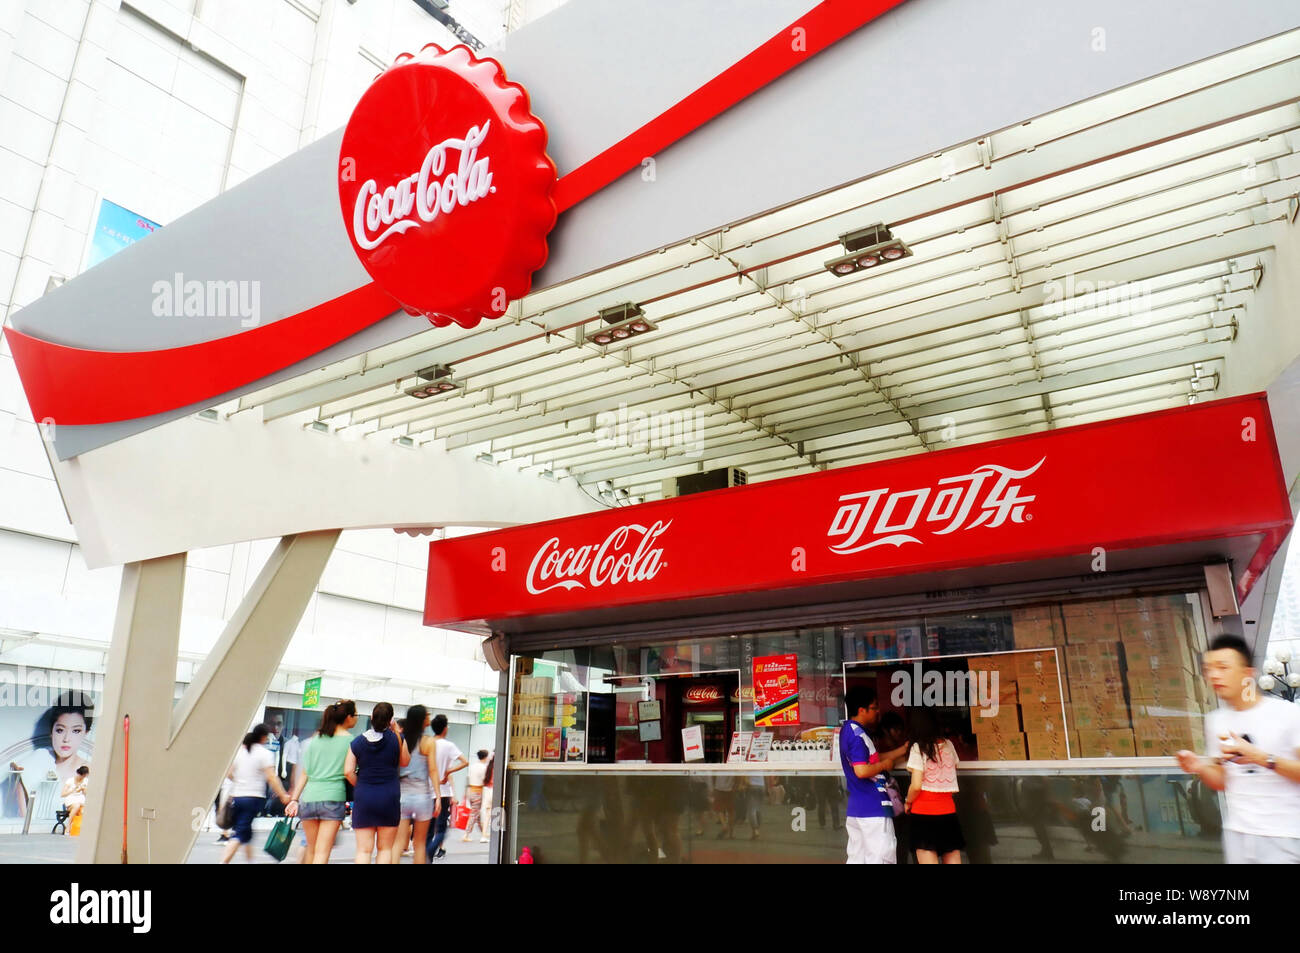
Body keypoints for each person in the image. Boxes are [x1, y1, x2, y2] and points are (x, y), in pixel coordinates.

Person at [1176, 633, 1300, 864]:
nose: (1214, 675)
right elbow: (1222, 781)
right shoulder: (1216, 720)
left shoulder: (1288, 714)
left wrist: (1263, 758)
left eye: (1223, 667)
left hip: (1285, 835)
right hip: (1238, 836)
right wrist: (1198, 767)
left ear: (1247, 674)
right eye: (1209, 669)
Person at [839, 685, 908, 864]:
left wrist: (902, 750)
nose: (878, 711)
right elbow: (862, 770)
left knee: (857, 858)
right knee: (880, 857)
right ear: (862, 710)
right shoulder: (858, 735)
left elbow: (871, 759)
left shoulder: (850, 730)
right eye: (874, 707)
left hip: (858, 808)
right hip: (873, 807)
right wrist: (885, 765)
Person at [289, 699, 357, 864]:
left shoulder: (316, 739)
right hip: (333, 798)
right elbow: (350, 771)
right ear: (348, 717)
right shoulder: (351, 740)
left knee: (311, 849)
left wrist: (294, 799)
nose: (356, 718)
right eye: (355, 715)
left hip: (309, 798)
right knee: (322, 852)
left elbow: (305, 773)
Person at [345, 702, 409, 863]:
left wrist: (361, 785)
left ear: (372, 718)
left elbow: (347, 771)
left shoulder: (357, 742)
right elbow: (405, 761)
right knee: (385, 848)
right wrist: (396, 732)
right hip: (389, 797)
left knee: (363, 850)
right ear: (391, 720)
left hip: (364, 796)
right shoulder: (397, 739)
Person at [221, 724, 294, 863]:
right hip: (253, 798)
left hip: (238, 796)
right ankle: (223, 861)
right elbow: (272, 777)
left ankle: (250, 862)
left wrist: (240, 782)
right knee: (240, 833)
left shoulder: (240, 752)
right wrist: (283, 795)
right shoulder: (264, 753)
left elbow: (229, 773)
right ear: (263, 737)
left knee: (245, 832)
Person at [902, 707, 964, 864]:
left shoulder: (918, 748)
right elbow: (952, 771)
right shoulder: (949, 745)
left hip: (924, 814)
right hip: (948, 811)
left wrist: (908, 802)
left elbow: (916, 785)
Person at [393, 704, 437, 863]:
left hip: (401, 796)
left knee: (397, 842)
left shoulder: (401, 739)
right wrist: (438, 796)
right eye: (427, 715)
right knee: (419, 843)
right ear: (422, 719)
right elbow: (433, 770)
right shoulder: (428, 742)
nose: (429, 718)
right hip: (422, 797)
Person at [427, 714, 468, 860]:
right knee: (442, 829)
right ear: (445, 729)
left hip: (427, 791)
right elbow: (465, 762)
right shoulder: (448, 745)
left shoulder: (427, 743)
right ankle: (430, 852)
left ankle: (428, 857)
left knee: (429, 829)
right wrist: (448, 771)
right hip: (442, 792)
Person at [462, 749, 490, 843]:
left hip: (471, 790)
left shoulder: (473, 766)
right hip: (478, 791)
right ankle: (466, 834)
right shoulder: (484, 768)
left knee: (476, 812)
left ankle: (483, 831)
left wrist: (466, 793)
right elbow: (484, 780)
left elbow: (467, 778)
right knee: (474, 813)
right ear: (485, 757)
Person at [60, 766, 89, 834]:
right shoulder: (70, 781)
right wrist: (72, 790)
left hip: (81, 799)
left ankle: (79, 829)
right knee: (77, 806)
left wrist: (83, 789)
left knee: (82, 809)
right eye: (82, 776)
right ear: (79, 774)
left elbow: (86, 794)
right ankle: (68, 826)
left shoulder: (86, 781)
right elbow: (62, 794)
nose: (82, 778)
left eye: (84, 776)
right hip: (71, 799)